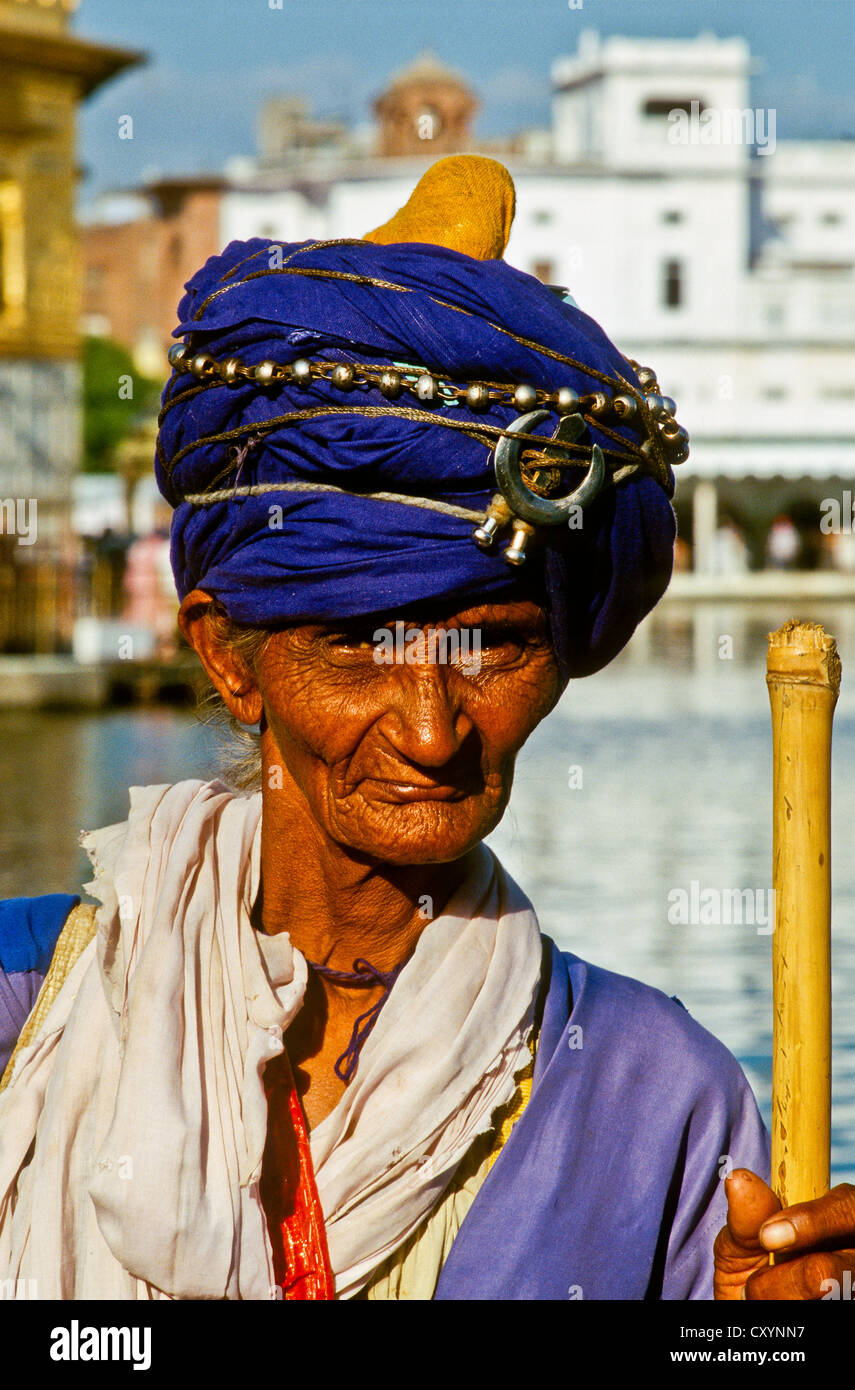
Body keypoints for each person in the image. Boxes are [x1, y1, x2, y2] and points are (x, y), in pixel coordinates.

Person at [1, 156, 852, 1301]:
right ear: (226, 656)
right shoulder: (23, 1006)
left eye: (495, 643)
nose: (432, 727)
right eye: (355, 646)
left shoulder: (657, 1099)